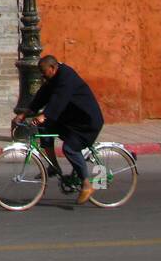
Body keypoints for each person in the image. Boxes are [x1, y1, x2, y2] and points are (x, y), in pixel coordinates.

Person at [13, 54, 104, 205]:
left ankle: (87, 184)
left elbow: (60, 99)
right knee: (43, 126)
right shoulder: (53, 78)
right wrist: (25, 113)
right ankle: (54, 166)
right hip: (72, 119)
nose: (42, 76)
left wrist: (45, 115)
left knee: (69, 149)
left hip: (87, 122)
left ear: (53, 68)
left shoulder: (66, 77)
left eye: (44, 72)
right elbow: (42, 96)